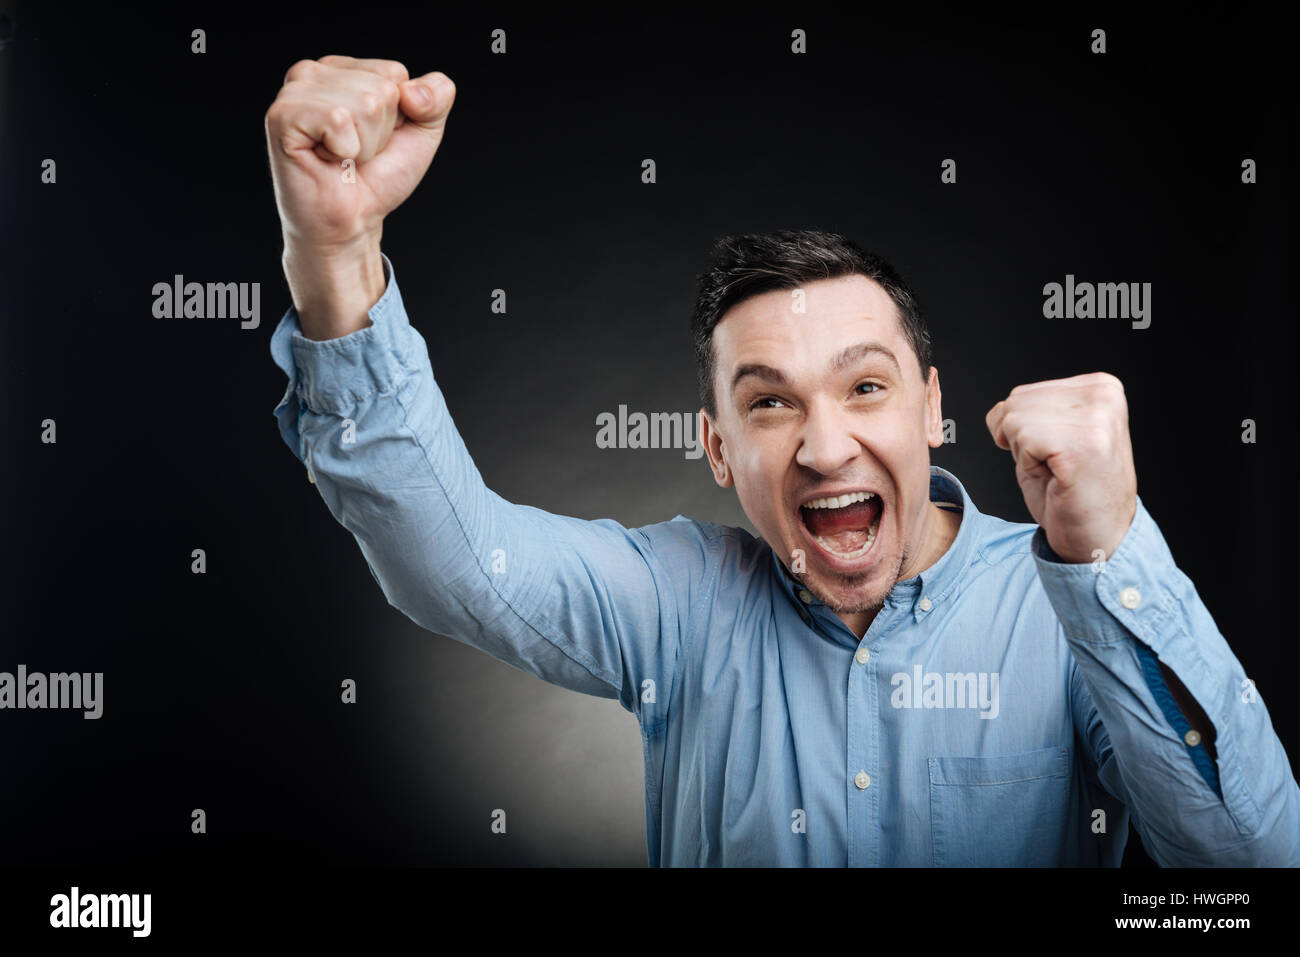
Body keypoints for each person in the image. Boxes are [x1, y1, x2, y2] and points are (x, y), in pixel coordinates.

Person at [263, 55, 1300, 866]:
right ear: (717, 449)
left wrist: (1109, 555)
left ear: (932, 408)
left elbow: (1248, 860)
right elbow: (449, 560)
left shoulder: (1064, 610)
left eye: (864, 387)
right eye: (768, 405)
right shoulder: (674, 603)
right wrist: (336, 254)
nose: (822, 445)